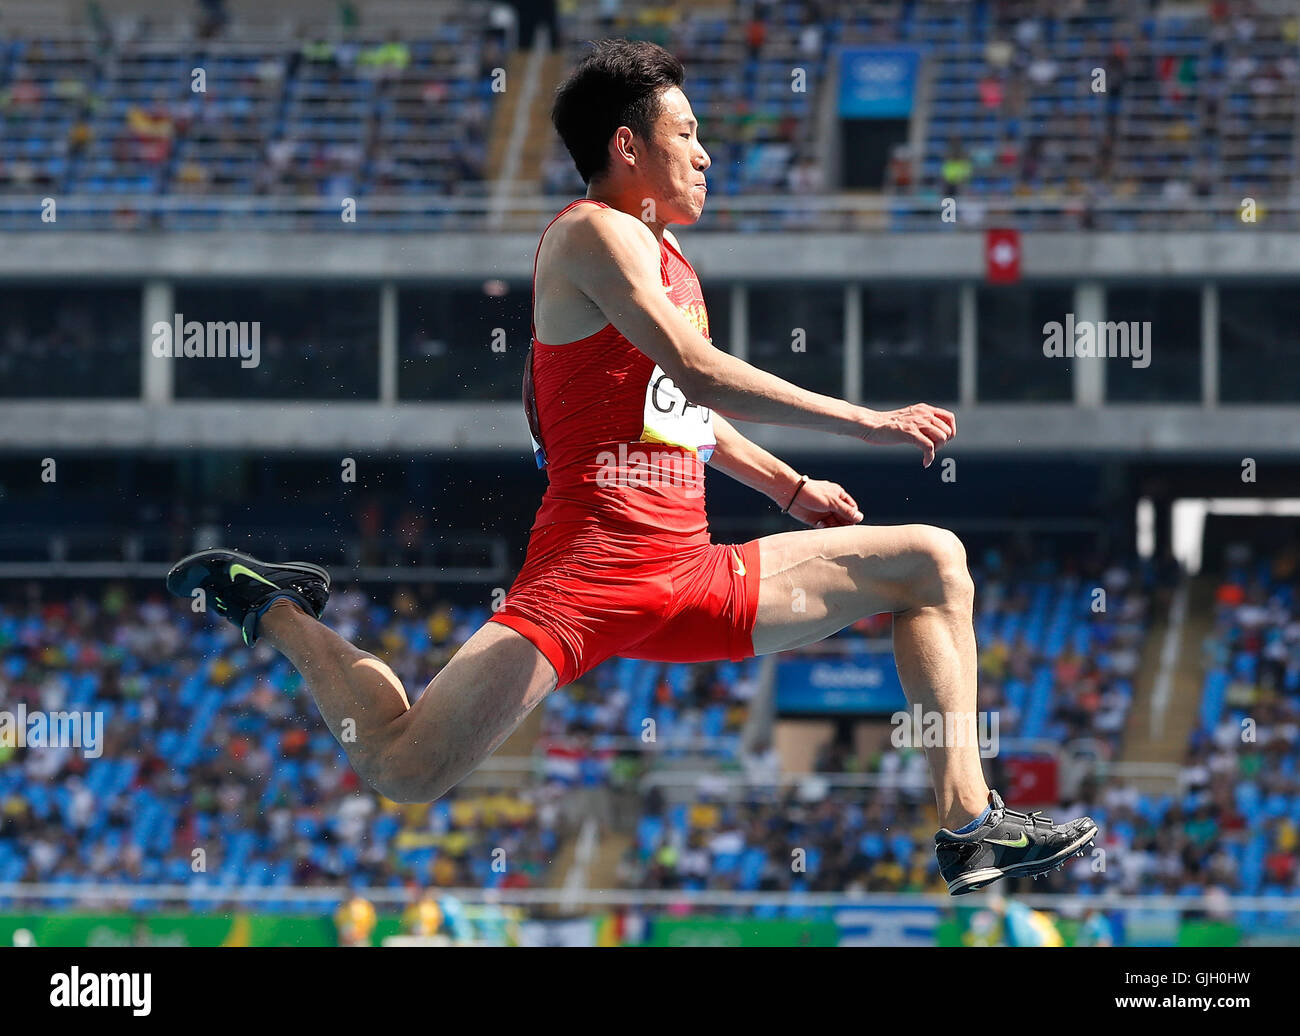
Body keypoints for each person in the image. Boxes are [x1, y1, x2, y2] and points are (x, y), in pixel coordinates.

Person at [165, 39, 1096, 895]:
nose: (705, 154)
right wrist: (864, 420)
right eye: (686, 134)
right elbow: (696, 371)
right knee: (402, 768)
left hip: (690, 572)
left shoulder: (669, 256)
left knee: (933, 563)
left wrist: (786, 486)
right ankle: (275, 608)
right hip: (583, 578)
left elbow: (676, 410)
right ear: (627, 146)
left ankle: (970, 825)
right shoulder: (590, 234)